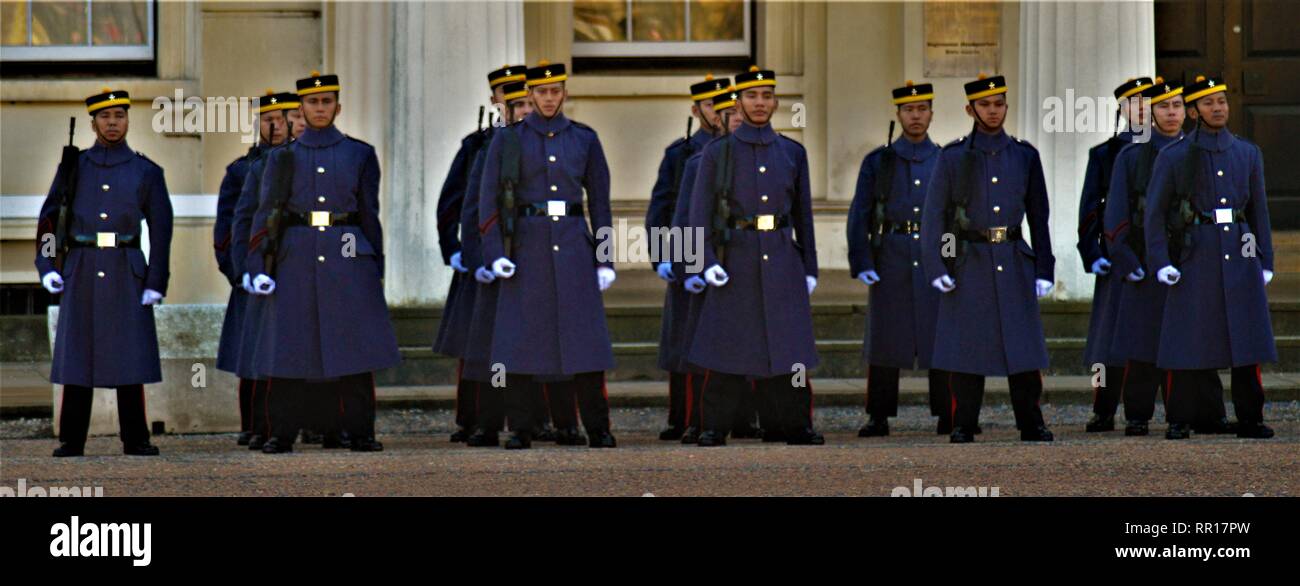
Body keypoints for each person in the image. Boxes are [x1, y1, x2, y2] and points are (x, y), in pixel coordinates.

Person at [245, 71, 401, 453]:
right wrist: (258, 267)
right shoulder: (283, 157)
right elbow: (265, 214)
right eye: (312, 103)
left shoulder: (359, 153)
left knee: (353, 347)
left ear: (337, 106)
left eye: (326, 102)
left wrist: (375, 266)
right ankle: (281, 432)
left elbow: (369, 213)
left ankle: (360, 430)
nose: (319, 108)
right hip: (295, 250)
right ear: (300, 108)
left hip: (347, 248)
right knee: (289, 347)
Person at [478, 60, 618, 449]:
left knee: (585, 344)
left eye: (556, 91)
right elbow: (487, 201)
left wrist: (605, 259)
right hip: (526, 245)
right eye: (542, 92)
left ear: (565, 93)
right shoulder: (508, 139)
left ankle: (598, 426)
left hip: (574, 244)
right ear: (531, 96)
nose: (549, 98)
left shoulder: (584, 139)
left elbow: (601, 205)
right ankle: (521, 427)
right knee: (522, 343)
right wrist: (495, 253)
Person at [686, 66, 824, 447]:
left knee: (789, 349)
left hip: (780, 255)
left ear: (776, 102)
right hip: (736, 256)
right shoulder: (718, 153)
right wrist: (706, 261)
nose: (759, 104)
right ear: (738, 103)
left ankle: (796, 423)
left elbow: (803, 216)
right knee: (727, 345)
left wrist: (809, 265)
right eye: (751, 97)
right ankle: (713, 424)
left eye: (766, 97)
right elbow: (699, 213)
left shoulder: (792, 152)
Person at [37, 87, 173, 457]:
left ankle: (136, 436)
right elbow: (50, 221)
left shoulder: (146, 171)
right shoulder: (74, 167)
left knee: (130, 353)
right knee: (78, 354)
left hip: (126, 267)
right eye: (105, 117)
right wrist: (48, 265)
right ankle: (72, 438)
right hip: (81, 266)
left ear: (128, 119)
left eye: (120, 116)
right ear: (93, 122)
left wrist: (156, 280)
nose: (113, 124)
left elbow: (161, 229)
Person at [920, 74, 1056, 443]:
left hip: (1013, 257)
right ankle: (964, 421)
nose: (992, 111)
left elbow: (1038, 217)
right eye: (984, 105)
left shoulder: (1024, 155)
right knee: (967, 348)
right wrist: (941, 263)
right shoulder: (953, 157)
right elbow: (939, 218)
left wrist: (1044, 267)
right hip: (971, 259)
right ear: (970, 109)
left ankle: (1031, 421)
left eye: (998, 104)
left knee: (1023, 349)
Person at [1143, 75, 1276, 440]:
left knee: (1246, 340)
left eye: (1221, 101)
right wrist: (1161, 262)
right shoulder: (1174, 156)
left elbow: (1258, 211)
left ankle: (1250, 416)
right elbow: (1154, 214)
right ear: (1193, 111)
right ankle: (1181, 417)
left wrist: (1265, 261)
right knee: (1189, 338)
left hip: (1239, 249)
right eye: (1208, 103)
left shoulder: (1247, 153)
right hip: (1195, 251)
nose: (1218, 108)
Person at [846, 80, 949, 437]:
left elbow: (954, 214)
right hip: (890, 252)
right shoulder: (879, 161)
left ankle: (948, 411)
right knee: (885, 338)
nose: (916, 116)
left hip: (933, 254)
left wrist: (951, 259)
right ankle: (878, 414)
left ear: (932, 114)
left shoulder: (945, 159)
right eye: (909, 110)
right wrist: (863, 260)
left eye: (922, 109)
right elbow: (860, 213)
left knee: (941, 334)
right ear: (898, 114)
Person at [435, 64, 526, 443]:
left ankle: (530, 418)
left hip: (524, 253)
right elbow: (453, 202)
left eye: (522, 97)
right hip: (482, 255)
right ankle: (474, 416)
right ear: (495, 100)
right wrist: (453, 249)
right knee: (479, 343)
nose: (517, 106)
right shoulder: (477, 145)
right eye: (509, 97)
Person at [647, 74, 731, 441]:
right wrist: (667, 257)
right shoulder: (681, 154)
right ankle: (682, 416)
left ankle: (736, 416)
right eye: (711, 105)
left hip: (730, 252)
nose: (718, 112)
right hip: (689, 252)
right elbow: (664, 210)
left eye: (723, 103)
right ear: (696, 110)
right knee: (685, 341)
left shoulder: (739, 147)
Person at [1102, 77, 1184, 436]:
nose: (1171, 113)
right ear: (1150, 114)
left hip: (1186, 258)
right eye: (1163, 107)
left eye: (1177, 106)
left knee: (1188, 340)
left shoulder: (1195, 151)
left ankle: (1190, 413)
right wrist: (1126, 259)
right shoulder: (1132, 155)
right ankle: (1138, 413)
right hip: (1144, 258)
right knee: (1142, 341)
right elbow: (1116, 214)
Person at [1078, 77, 1154, 432]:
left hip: (1155, 253)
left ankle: (1158, 408)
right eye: (1133, 102)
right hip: (1117, 252)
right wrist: (1092, 251)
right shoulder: (1105, 154)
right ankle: (1104, 408)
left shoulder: (1170, 148)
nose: (1141, 107)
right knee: (1107, 341)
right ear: (1121, 110)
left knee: (1154, 334)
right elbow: (1091, 208)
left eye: (1146, 101)